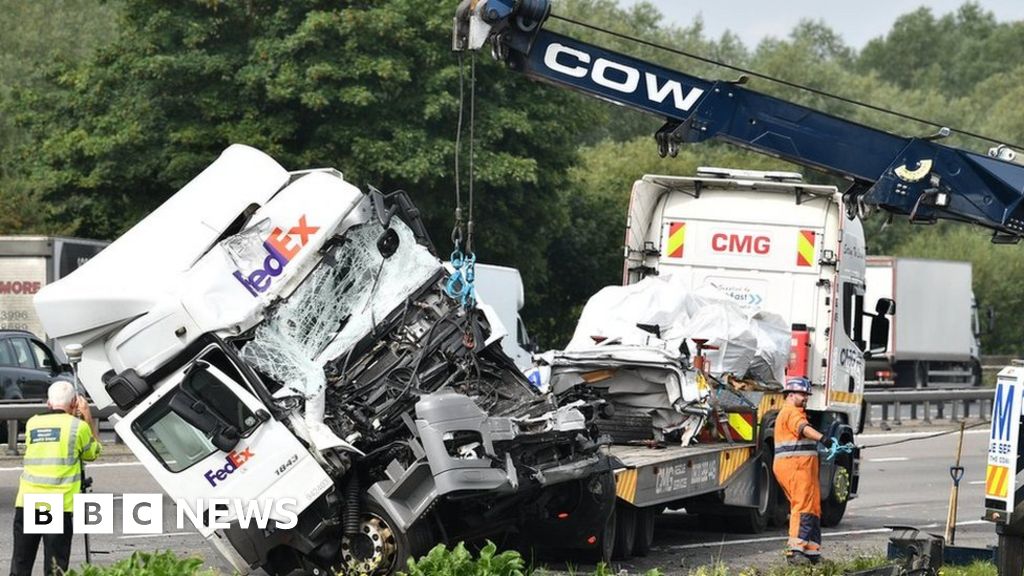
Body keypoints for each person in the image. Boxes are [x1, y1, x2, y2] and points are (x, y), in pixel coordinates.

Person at [11, 380, 102, 576]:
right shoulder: (78, 427)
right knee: (55, 569)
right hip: (58, 505)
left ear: (48, 403)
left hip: (28, 502)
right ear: (73, 404)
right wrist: (86, 416)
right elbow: (92, 453)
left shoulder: (33, 424)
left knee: (21, 565)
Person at [772, 376, 832, 565]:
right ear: (790, 395)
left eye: (806, 394)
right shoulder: (790, 412)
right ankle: (795, 551)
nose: (806, 397)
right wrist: (823, 438)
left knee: (813, 507)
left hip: (803, 468)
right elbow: (803, 429)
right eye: (802, 394)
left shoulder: (796, 411)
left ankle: (811, 551)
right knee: (802, 506)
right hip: (794, 466)